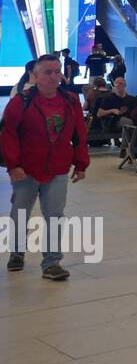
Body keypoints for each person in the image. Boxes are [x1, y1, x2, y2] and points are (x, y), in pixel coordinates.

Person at [2, 54, 88, 280]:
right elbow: (8, 134)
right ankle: (17, 252)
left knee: (55, 215)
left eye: (57, 71)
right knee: (20, 213)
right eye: (48, 72)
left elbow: (79, 133)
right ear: (35, 75)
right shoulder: (21, 101)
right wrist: (14, 165)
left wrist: (81, 163)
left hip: (58, 168)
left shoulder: (70, 101)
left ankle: (52, 262)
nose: (54, 77)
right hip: (26, 170)